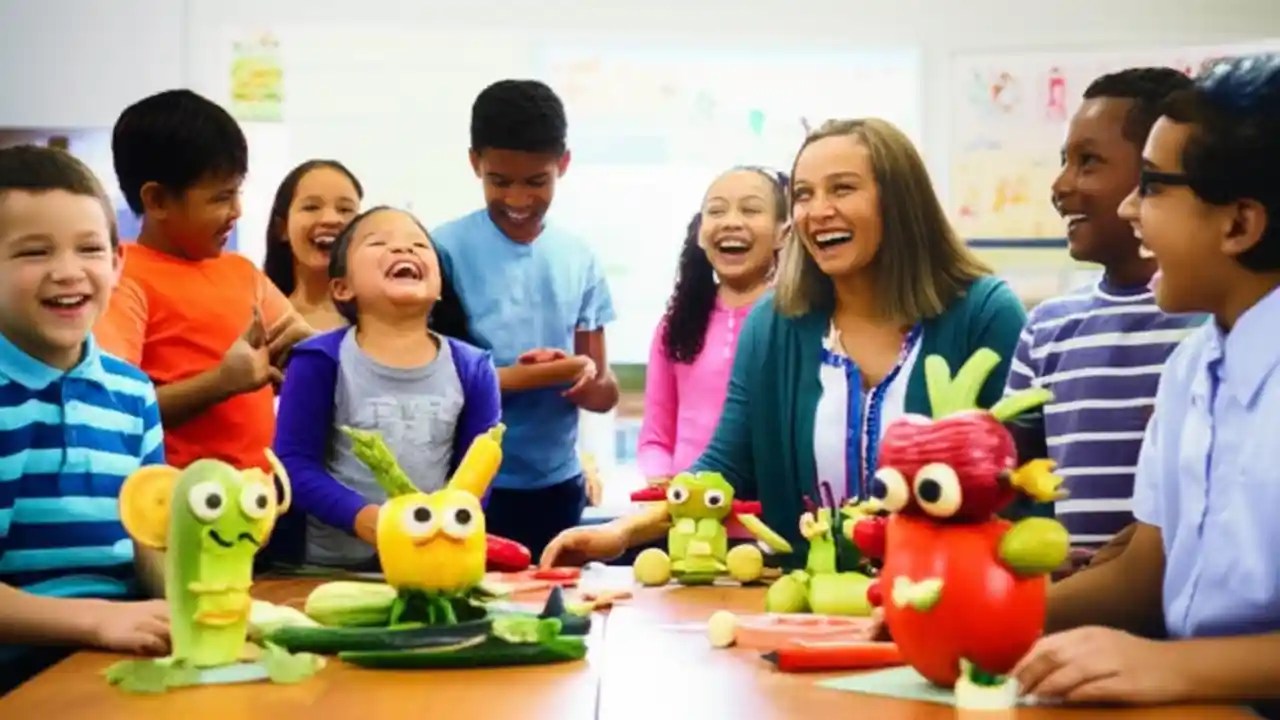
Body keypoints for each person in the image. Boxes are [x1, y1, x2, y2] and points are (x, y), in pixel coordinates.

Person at [541, 117, 1028, 567]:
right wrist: (621, 533)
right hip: (807, 604)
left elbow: (1020, 485)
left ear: (900, 201)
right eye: (803, 194)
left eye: (842, 189)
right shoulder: (775, 325)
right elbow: (725, 465)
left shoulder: (983, 314)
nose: (818, 211)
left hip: (946, 597)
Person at [1013, 54, 1280, 714]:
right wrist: (980, 621)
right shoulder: (1189, 368)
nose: (1132, 207)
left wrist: (1173, 666)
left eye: (1154, 186)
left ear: (1240, 224)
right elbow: (1142, 575)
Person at [1003, 68, 1204, 569]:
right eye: (1064, 161)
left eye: (1088, 162)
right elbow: (1003, 479)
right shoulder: (1048, 327)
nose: (1060, 185)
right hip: (1077, 607)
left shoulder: (1212, 324)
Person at [0, 146, 168, 693]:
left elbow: (150, 540)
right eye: (34, 252)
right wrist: (99, 620)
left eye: (91, 249)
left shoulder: (133, 391)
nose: (68, 272)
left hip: (119, 651)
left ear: (118, 262)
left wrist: (193, 597)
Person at [431, 79, 619, 558]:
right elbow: (434, 385)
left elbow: (603, 393)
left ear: (564, 165)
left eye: (536, 181)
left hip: (557, 486)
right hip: (465, 484)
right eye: (500, 180)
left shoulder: (579, 257)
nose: (518, 198)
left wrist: (578, 374)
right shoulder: (442, 251)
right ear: (475, 163)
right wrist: (530, 376)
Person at [93, 89, 312, 474]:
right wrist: (221, 383)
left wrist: (308, 349)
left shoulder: (242, 273)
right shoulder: (124, 278)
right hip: (178, 511)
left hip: (261, 501)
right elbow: (114, 410)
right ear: (157, 200)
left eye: (238, 192)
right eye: (221, 197)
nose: (237, 211)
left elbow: (298, 344)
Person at [272, 206, 501, 567]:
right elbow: (294, 465)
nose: (403, 250)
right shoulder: (319, 361)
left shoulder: (473, 368)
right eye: (378, 242)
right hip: (331, 569)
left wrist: (441, 526)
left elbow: (477, 474)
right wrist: (365, 519)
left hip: (433, 560)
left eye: (418, 245)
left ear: (440, 285)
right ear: (342, 287)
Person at [637, 168, 787, 487]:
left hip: (775, 524)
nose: (731, 221)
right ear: (701, 233)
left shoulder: (795, 322)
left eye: (750, 209)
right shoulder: (675, 326)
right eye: (716, 211)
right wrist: (662, 480)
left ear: (782, 232)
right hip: (691, 519)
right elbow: (655, 439)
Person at [263, 160, 364, 333]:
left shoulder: (379, 314)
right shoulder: (261, 317)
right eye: (311, 207)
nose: (331, 219)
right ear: (282, 228)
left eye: (345, 209)